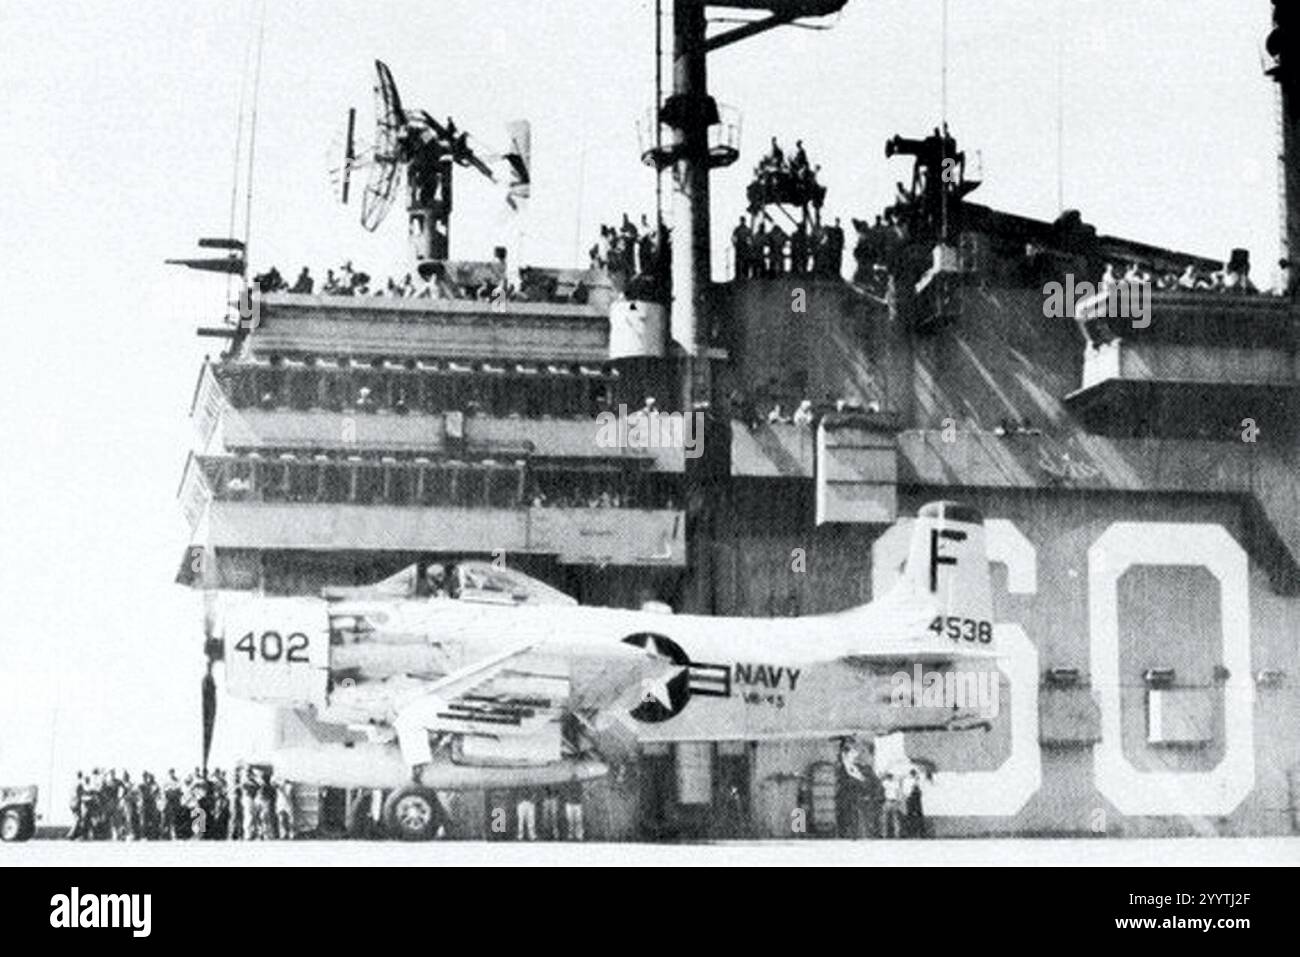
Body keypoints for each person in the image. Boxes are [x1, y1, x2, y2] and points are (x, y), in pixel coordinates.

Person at [902, 767, 927, 838]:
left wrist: (917, 780)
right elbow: (905, 790)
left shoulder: (918, 780)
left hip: (917, 799)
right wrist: (907, 795)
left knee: (919, 816)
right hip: (910, 798)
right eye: (912, 773)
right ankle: (910, 832)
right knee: (910, 816)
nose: (913, 775)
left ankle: (921, 833)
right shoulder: (907, 780)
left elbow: (922, 787)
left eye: (914, 773)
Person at [879, 771, 905, 839]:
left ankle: (886, 834)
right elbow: (899, 792)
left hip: (889, 801)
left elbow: (881, 782)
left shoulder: (885, 783)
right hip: (893, 801)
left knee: (887, 819)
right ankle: (895, 834)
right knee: (894, 819)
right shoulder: (894, 783)